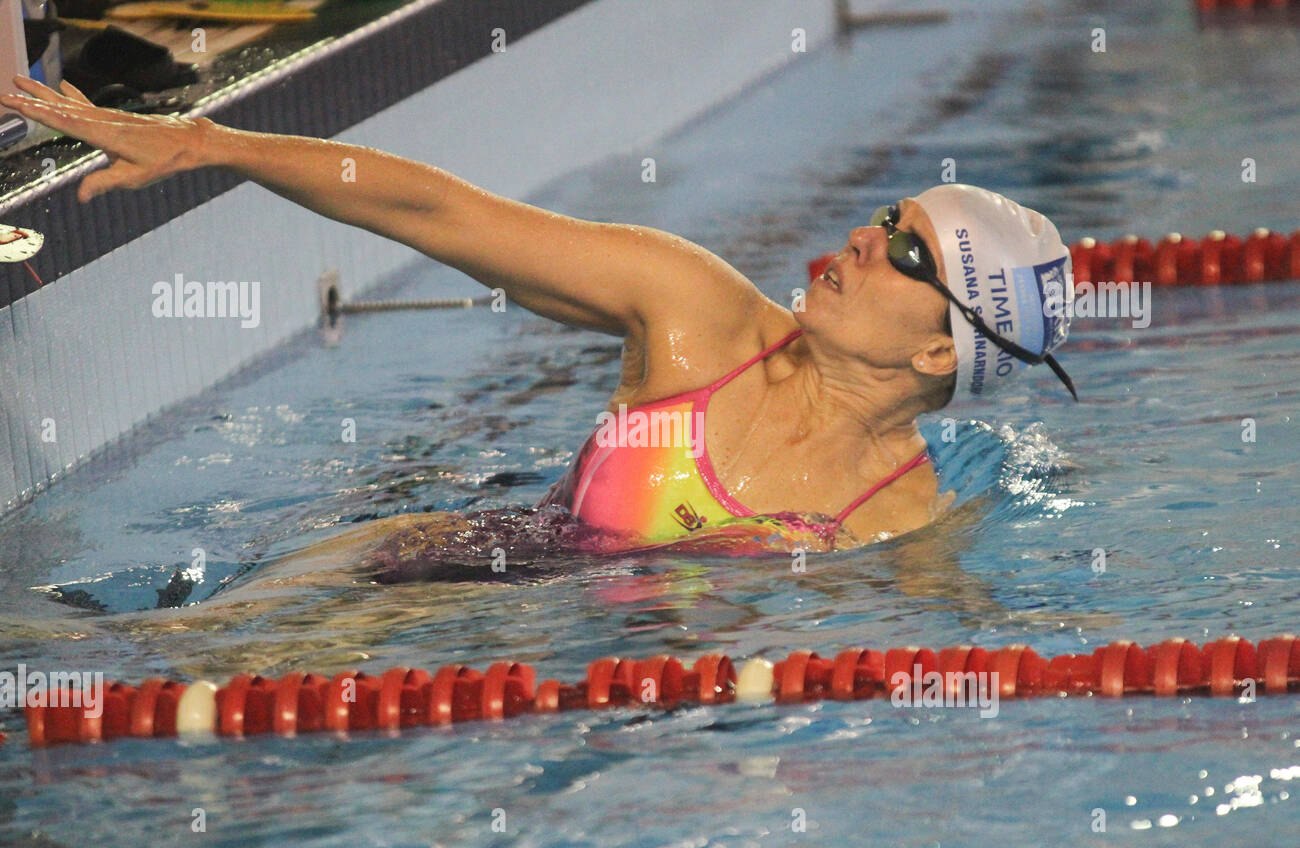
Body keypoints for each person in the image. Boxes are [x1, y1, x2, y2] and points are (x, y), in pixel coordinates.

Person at [2, 76, 1076, 566]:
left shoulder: (903, 526)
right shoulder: (694, 311)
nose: (857, 238)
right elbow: (444, 211)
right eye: (883, 216)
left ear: (945, 349)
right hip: (422, 568)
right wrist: (209, 145)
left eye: (904, 252)